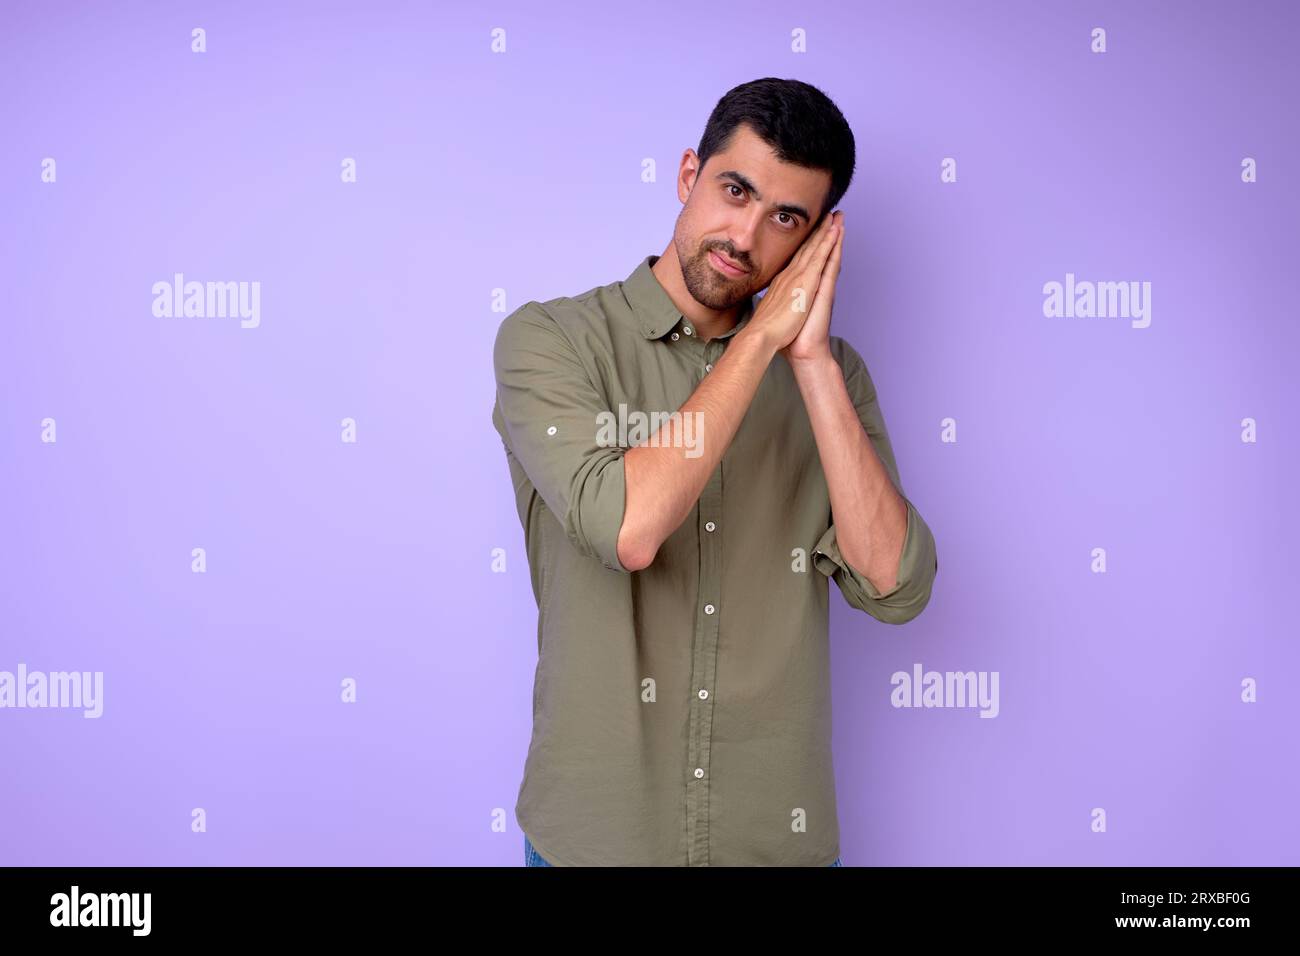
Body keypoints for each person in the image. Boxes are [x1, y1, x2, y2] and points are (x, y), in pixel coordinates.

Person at [492, 77, 938, 867]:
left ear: (812, 241)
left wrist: (809, 363)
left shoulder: (834, 378)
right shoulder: (548, 340)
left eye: (785, 219)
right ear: (688, 173)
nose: (746, 236)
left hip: (777, 843)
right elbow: (627, 528)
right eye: (735, 190)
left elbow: (893, 586)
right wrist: (759, 340)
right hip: (597, 844)